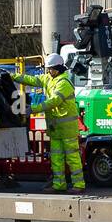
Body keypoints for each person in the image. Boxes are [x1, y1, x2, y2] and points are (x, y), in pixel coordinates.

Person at [16, 53, 84, 193]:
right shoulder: (49, 78)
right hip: (56, 128)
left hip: (67, 129)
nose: (48, 72)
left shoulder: (64, 83)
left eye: (51, 69)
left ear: (58, 68)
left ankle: (79, 185)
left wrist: (33, 109)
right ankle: (59, 185)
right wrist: (13, 76)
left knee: (72, 158)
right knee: (56, 158)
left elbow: (54, 101)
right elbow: (32, 79)